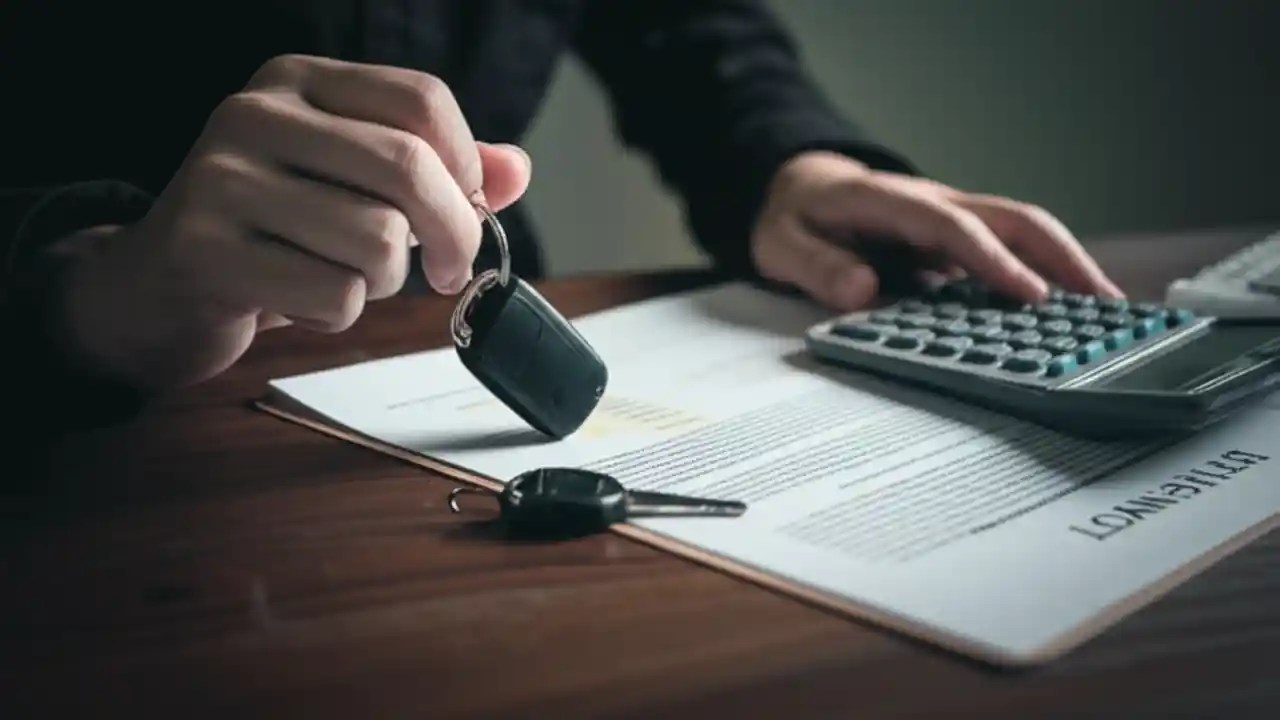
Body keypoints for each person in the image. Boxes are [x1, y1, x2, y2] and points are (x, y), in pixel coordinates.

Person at [1, 1, 1122, 438]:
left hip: (464, 341)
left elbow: (694, 35)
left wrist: (789, 166)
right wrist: (78, 290)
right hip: (109, 436)